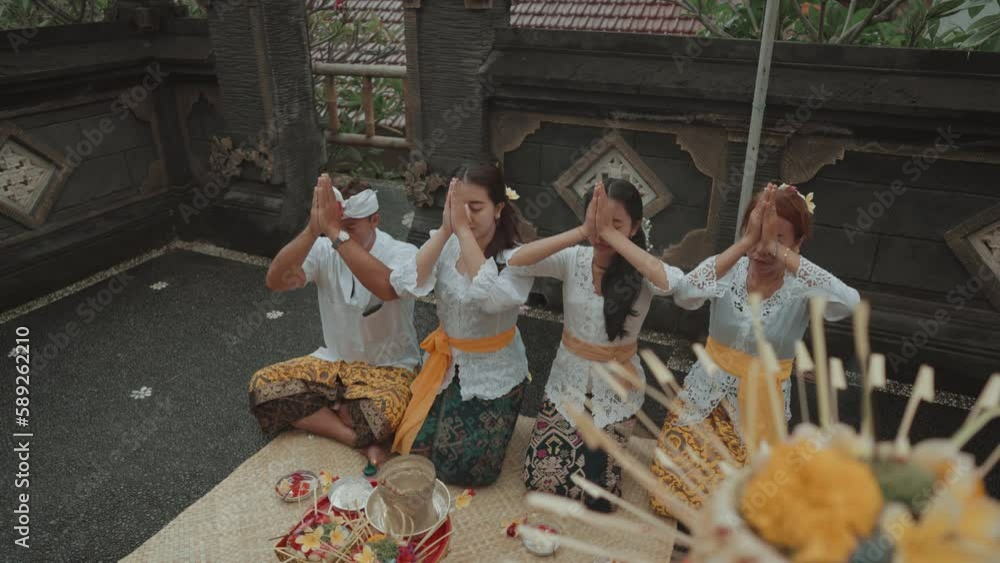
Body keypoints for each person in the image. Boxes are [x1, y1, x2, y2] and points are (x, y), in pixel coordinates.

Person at [649, 182, 861, 518]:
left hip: (761, 406)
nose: (764, 249)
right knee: (673, 496)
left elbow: (849, 303)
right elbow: (685, 294)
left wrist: (781, 254)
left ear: (798, 243)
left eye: (779, 238)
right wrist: (746, 243)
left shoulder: (803, 285)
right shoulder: (730, 269)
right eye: (757, 234)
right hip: (706, 396)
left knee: (741, 508)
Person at [508, 179, 684, 512]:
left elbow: (670, 283)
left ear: (634, 227)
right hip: (568, 382)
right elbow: (518, 260)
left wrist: (612, 235)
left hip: (616, 388)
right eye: (597, 220)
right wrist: (582, 231)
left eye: (616, 223)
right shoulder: (575, 257)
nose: (603, 232)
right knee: (542, 479)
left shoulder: (641, 268)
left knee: (600, 497)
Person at [248, 174, 420, 465]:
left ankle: (336, 408)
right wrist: (312, 231)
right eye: (336, 228)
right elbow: (276, 280)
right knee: (262, 386)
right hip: (333, 364)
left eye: (350, 228)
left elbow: (387, 288)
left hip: (390, 368)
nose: (340, 235)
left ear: (375, 220)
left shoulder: (404, 254)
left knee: (379, 416)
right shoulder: (324, 246)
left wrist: (334, 234)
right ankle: (353, 436)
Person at [390, 162, 532, 487]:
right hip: (446, 365)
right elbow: (406, 282)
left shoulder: (515, 258)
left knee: (466, 470)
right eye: (459, 206)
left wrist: (462, 231)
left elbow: (489, 296)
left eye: (476, 207)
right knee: (415, 454)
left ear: (498, 208)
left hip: (491, 374)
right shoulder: (448, 242)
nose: (465, 215)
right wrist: (444, 231)